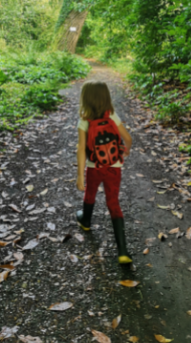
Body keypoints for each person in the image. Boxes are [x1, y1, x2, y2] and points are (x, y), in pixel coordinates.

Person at [74, 81, 134, 265]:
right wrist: (125, 151)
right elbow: (128, 138)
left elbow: (81, 149)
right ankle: (122, 252)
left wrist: (80, 175)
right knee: (113, 202)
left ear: (85, 99)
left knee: (90, 193)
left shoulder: (84, 120)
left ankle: (86, 221)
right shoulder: (112, 116)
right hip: (113, 168)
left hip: (94, 167)